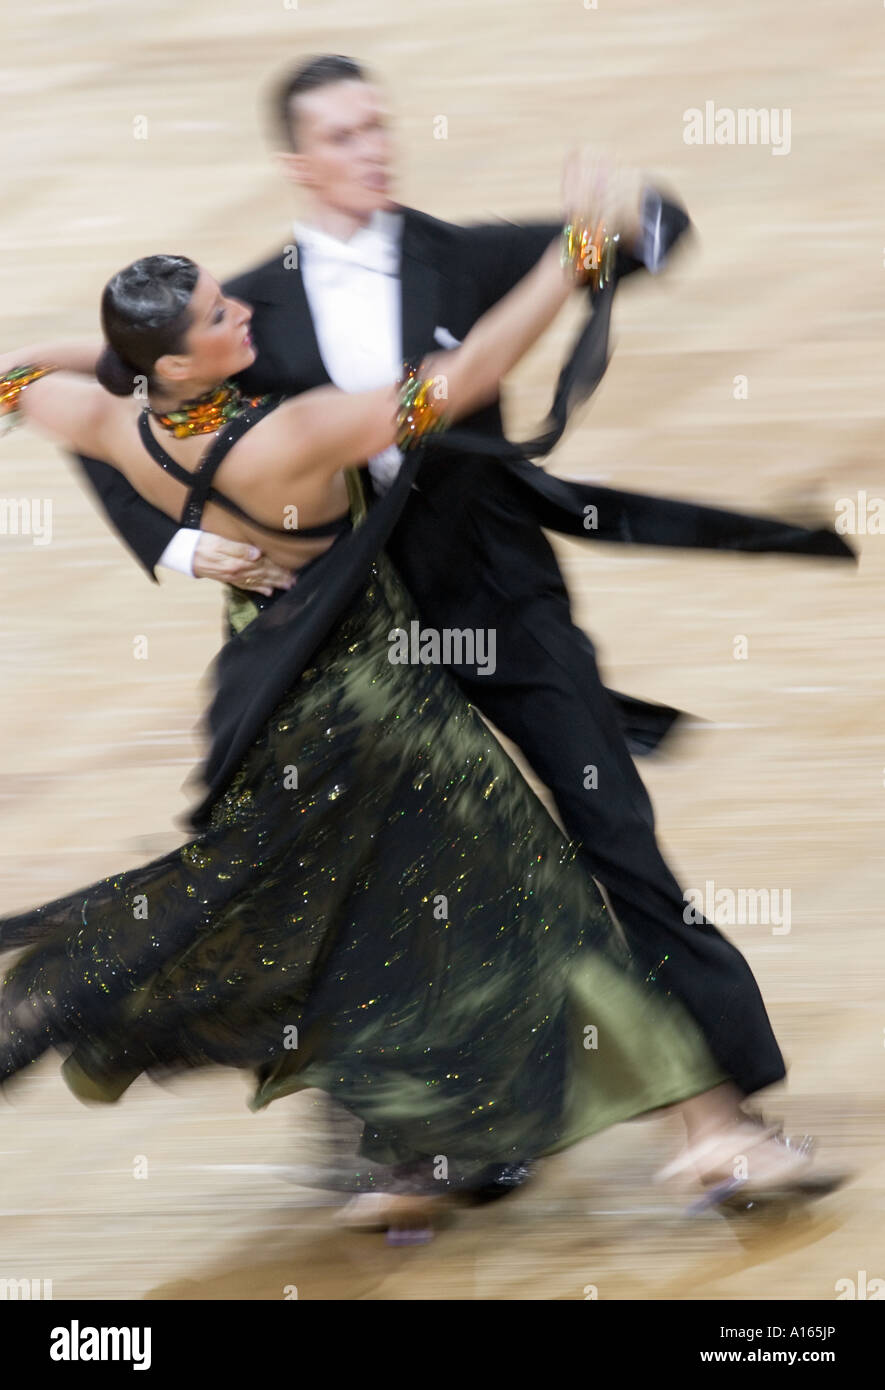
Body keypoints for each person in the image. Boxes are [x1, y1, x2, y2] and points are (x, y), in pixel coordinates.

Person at [45, 56, 853, 1158]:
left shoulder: (448, 255)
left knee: (610, 836)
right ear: (295, 162)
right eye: (340, 135)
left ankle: (721, 1088)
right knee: (387, 896)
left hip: (500, 598)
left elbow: (644, 243)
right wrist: (185, 546)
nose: (370, 146)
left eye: (378, 124)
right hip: (355, 653)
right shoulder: (243, 319)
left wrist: (629, 223)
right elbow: (437, 388)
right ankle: (427, 1151)